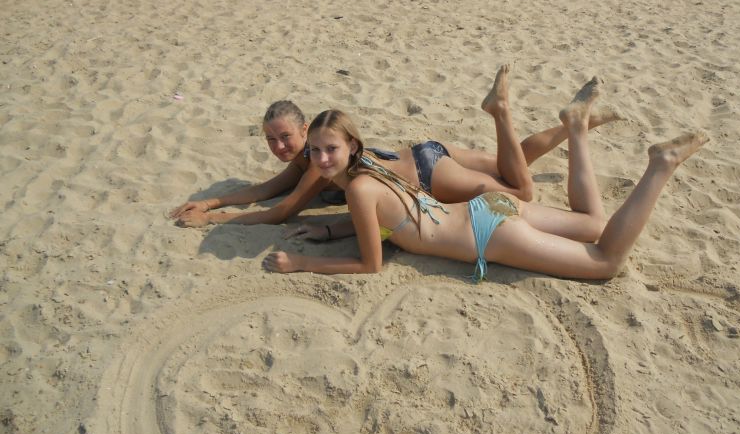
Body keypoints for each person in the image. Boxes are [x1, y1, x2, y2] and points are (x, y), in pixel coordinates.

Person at [262, 67, 709, 281]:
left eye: (330, 149)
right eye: (316, 151)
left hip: (488, 231)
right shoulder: (372, 171)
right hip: (488, 207)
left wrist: (303, 263)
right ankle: (576, 129)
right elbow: (382, 222)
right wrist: (329, 230)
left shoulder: (358, 189)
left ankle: (660, 166)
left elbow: (369, 264)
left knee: (606, 263)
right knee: (595, 225)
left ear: (351, 147)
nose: (321, 158)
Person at [170, 75, 621, 228]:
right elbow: (264, 190)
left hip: (428, 175)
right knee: (514, 160)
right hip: (426, 151)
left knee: (519, 192)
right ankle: (577, 124)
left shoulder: (317, 164)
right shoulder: (318, 151)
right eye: (271, 140)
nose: (279, 146)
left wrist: (213, 221)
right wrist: (211, 201)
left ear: (305, 129)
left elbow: (281, 211)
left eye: (285, 137)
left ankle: (508, 112)